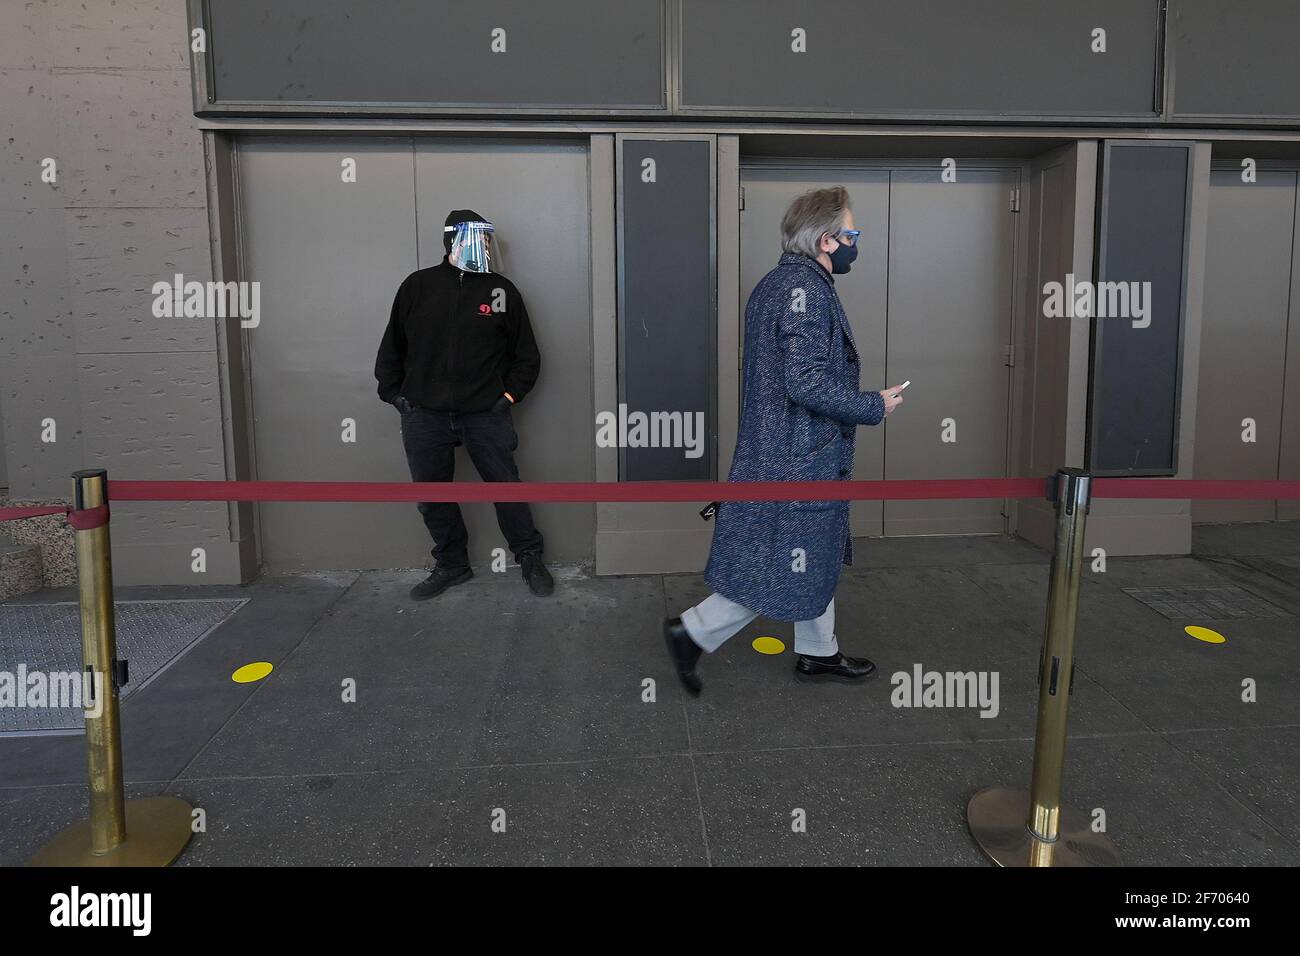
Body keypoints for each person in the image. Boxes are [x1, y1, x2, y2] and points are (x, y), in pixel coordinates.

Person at [662, 186, 905, 695]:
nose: (857, 242)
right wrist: (872, 405)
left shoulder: (778, 283)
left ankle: (819, 653)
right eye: (853, 234)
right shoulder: (808, 291)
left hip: (782, 450)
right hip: (798, 457)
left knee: (809, 554)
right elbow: (805, 382)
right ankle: (690, 634)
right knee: (776, 561)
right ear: (827, 241)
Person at [375, 209, 554, 600]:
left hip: (484, 414)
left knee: (506, 487)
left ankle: (528, 557)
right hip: (424, 414)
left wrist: (506, 397)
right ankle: (452, 565)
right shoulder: (417, 287)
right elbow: (392, 350)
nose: (488, 245)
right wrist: (396, 396)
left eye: (490, 239)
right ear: (457, 239)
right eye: (483, 238)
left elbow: (527, 356)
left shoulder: (501, 291)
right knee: (431, 494)